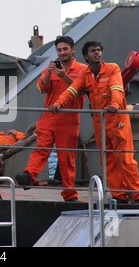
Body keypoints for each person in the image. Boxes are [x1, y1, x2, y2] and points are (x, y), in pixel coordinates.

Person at [49, 41, 139, 204]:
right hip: (100, 124)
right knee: (108, 160)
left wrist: (115, 105)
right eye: (93, 51)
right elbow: (73, 90)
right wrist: (58, 103)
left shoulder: (112, 68)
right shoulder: (85, 74)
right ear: (86, 56)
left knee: (125, 158)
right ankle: (119, 195)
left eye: (99, 50)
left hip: (117, 121)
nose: (97, 53)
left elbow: (116, 89)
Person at [15, 36, 87, 202]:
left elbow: (82, 91)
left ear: (72, 49)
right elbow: (42, 88)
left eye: (65, 49)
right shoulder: (52, 67)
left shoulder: (82, 69)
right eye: (59, 50)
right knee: (42, 147)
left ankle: (70, 194)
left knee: (66, 157)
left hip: (69, 117)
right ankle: (29, 176)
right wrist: (49, 72)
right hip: (49, 115)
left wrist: (63, 76)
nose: (62, 53)